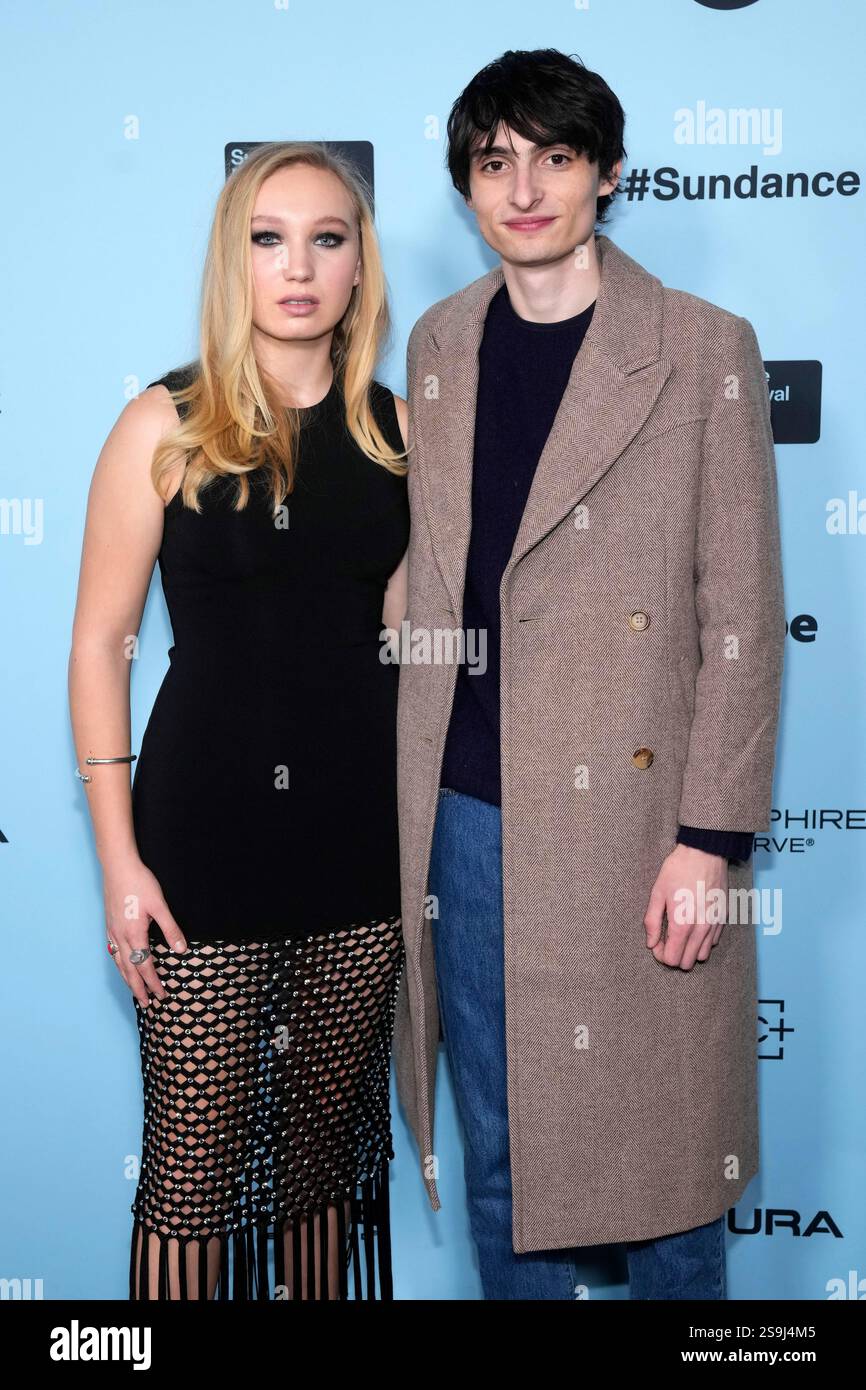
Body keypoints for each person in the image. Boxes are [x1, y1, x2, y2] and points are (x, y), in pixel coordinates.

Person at [393, 49, 785, 1299]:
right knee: (503, 1154)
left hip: (637, 819)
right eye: (493, 163)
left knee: (668, 1166)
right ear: (465, 184)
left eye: (554, 159)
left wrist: (708, 838)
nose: (522, 191)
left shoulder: (701, 345)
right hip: (468, 810)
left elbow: (741, 610)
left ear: (606, 175)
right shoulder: (439, 343)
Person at [68, 141, 410, 1300]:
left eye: (326, 239)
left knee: (321, 1160)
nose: (297, 267)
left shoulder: (398, 435)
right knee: (192, 1168)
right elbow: (99, 647)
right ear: (233, 262)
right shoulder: (162, 424)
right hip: (201, 838)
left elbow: (411, 643)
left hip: (361, 839)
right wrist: (119, 863)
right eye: (268, 239)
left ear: (358, 266)